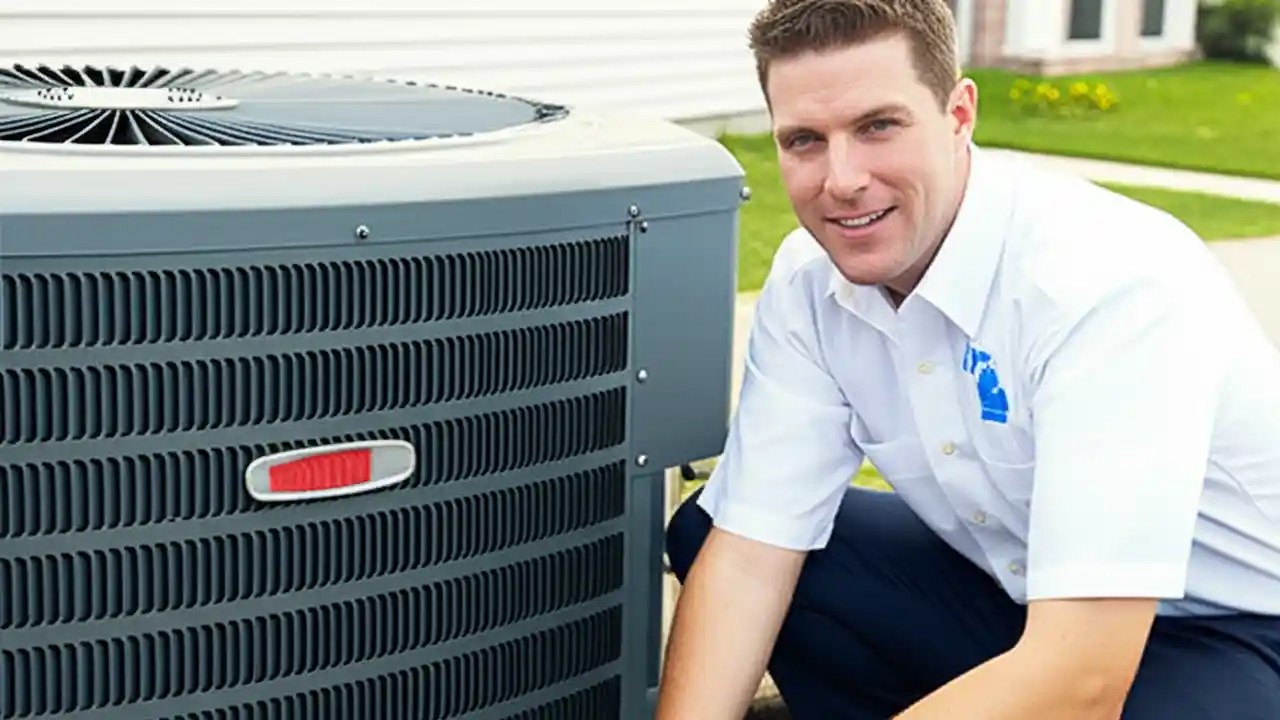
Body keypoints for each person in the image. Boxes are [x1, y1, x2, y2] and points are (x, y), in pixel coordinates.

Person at [655, 1, 1280, 718]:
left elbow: (1084, 675)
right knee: (715, 531)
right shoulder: (809, 280)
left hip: (1238, 629)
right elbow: (749, 556)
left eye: (877, 126)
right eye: (803, 140)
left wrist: (1052, 683)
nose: (843, 179)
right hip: (1021, 594)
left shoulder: (1105, 282)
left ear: (959, 114)